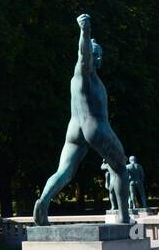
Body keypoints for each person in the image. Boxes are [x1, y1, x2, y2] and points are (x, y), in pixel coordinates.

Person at [33, 14, 130, 225]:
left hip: (74, 128)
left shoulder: (77, 79)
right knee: (120, 168)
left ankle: (44, 201)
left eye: (100, 55)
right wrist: (85, 32)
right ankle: (124, 217)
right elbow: (83, 56)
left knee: (64, 171)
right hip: (95, 126)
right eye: (97, 55)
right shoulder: (85, 73)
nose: (99, 59)